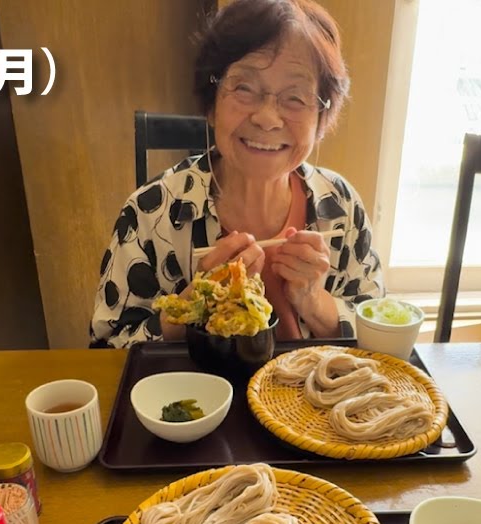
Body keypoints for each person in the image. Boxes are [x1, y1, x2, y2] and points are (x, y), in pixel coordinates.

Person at [89, 0, 383, 348]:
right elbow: (105, 347)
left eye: (295, 97)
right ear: (211, 103)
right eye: (244, 88)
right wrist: (194, 305)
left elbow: (382, 338)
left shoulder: (341, 208)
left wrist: (315, 302)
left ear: (321, 119)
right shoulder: (152, 213)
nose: (267, 119)